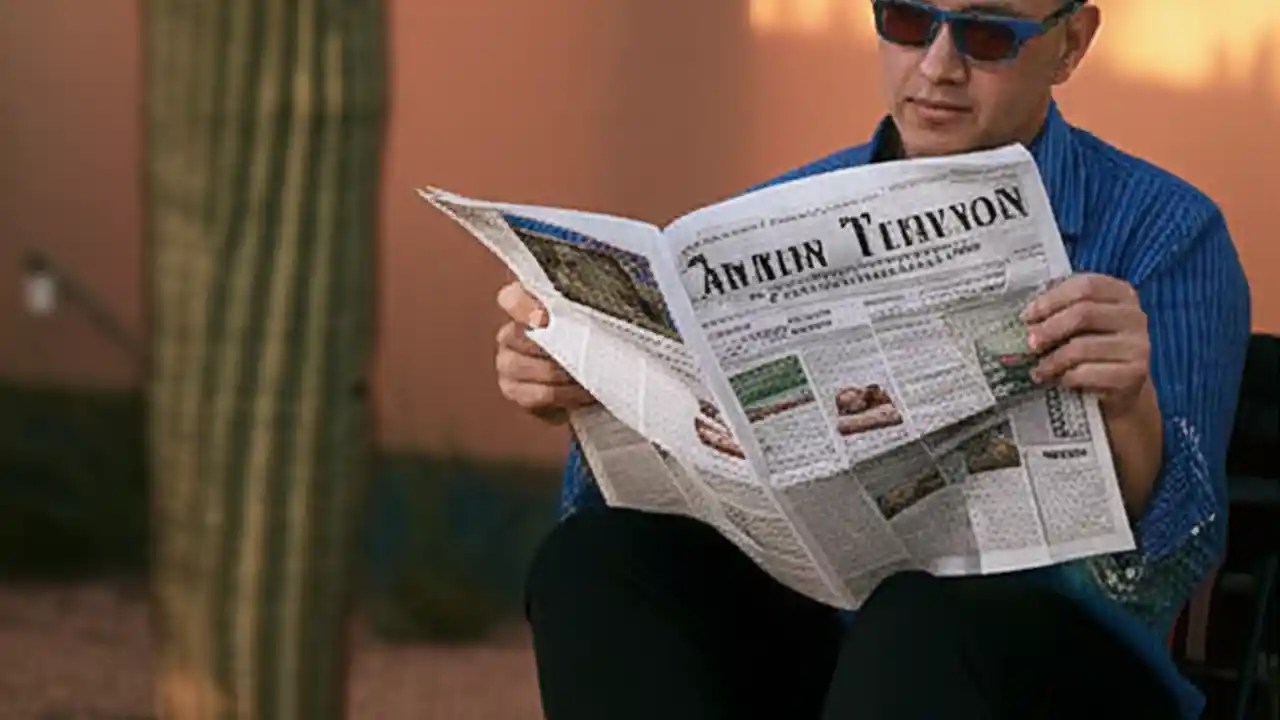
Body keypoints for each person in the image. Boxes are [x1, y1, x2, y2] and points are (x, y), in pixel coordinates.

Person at [491, 0, 1252, 717]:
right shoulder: (777, 217)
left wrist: (1126, 409)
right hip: (825, 645)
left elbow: (1172, 571)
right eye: (908, 19)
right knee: (593, 559)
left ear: (1071, 43)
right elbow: (638, 515)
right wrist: (587, 394)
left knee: (915, 615)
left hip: (1060, 670)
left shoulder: (1166, 232)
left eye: (987, 33)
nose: (937, 66)